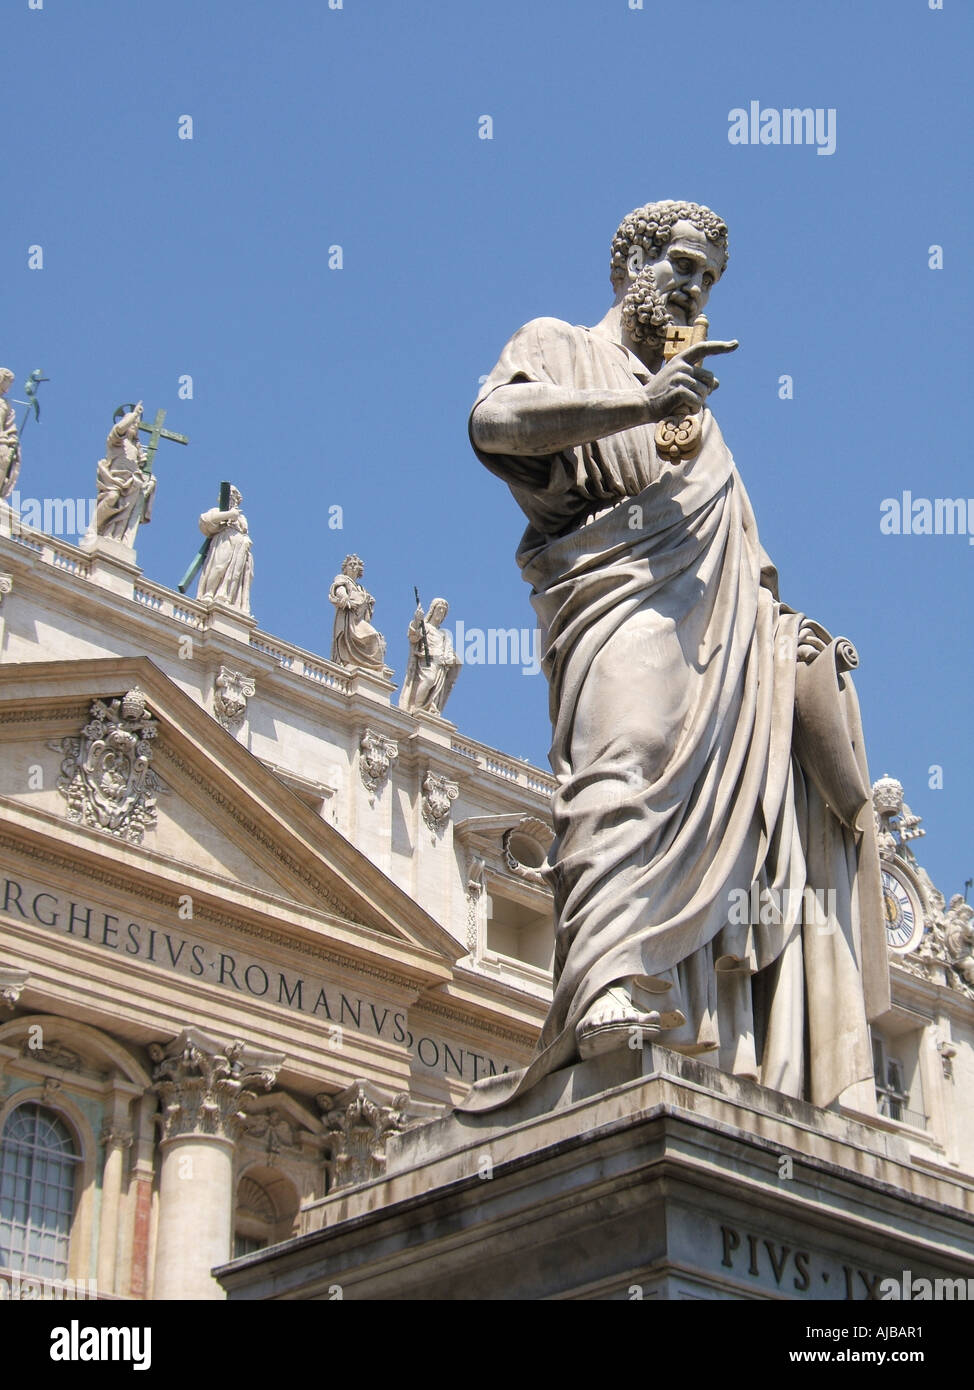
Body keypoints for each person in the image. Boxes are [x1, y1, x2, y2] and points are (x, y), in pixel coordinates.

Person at [463, 199, 887, 1114]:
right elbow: (495, 425)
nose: (696, 287)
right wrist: (639, 401)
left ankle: (690, 1016)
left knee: (717, 802)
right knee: (622, 765)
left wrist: (791, 643)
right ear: (631, 263)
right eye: (683, 265)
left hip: (720, 634)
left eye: (709, 277)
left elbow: (746, 562)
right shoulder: (561, 342)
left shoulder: (704, 417)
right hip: (612, 591)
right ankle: (603, 985)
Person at [92, 402, 156, 546]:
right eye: (133, 423)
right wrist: (134, 415)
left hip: (131, 484)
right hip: (114, 481)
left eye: (137, 424)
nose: (135, 425)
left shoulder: (135, 448)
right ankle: (96, 527)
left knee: (124, 515)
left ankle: (115, 539)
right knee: (112, 498)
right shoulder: (117, 442)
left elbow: (140, 467)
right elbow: (119, 429)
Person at [399, 598, 462, 716]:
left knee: (434, 687)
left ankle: (426, 708)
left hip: (440, 664)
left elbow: (448, 650)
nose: (441, 613)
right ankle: (416, 708)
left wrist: (450, 658)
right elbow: (413, 637)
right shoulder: (425, 626)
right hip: (427, 660)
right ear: (433, 610)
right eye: (439, 609)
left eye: (444, 611)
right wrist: (417, 620)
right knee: (429, 680)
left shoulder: (444, 634)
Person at [196, 485, 253, 612]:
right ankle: (209, 594)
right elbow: (205, 520)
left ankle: (226, 597)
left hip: (240, 545)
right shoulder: (218, 510)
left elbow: (244, 531)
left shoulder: (242, 517)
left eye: (233, 496)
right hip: (225, 540)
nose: (231, 499)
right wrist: (229, 514)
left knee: (235, 574)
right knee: (219, 566)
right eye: (229, 496)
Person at [329, 555, 388, 672]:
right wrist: (344, 597)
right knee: (373, 637)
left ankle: (373, 666)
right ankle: (354, 662)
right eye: (350, 564)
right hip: (348, 619)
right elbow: (338, 589)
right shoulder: (342, 579)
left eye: (356, 565)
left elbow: (366, 607)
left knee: (375, 637)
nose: (353, 567)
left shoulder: (361, 588)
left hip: (358, 620)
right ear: (345, 568)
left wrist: (369, 602)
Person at [0, 369, 21, 500]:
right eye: (7, 383)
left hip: (2, 441)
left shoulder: (6, 405)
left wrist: (12, 439)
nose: (7, 389)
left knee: (5, 460)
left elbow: (10, 426)